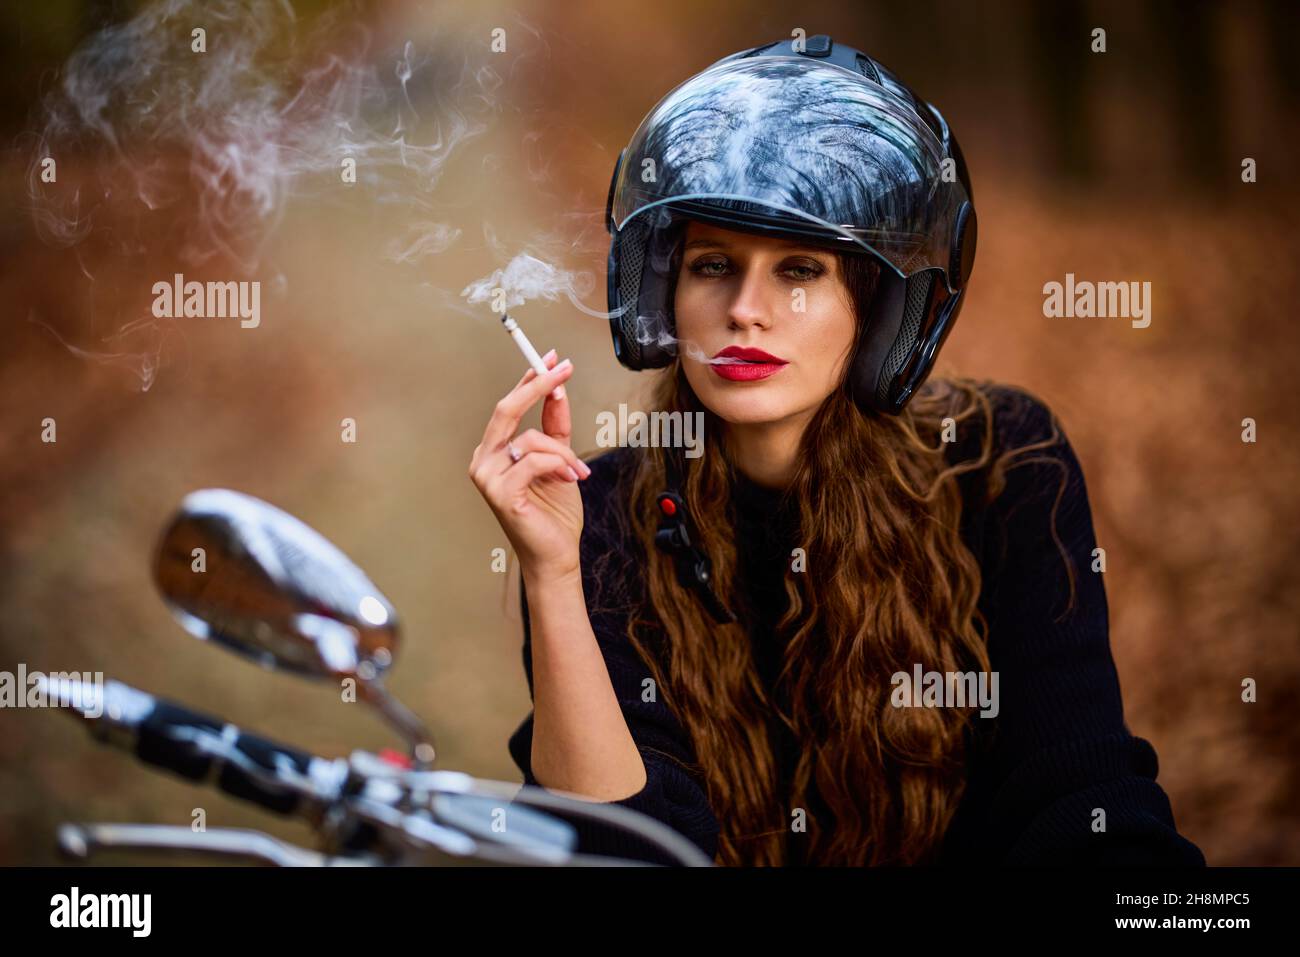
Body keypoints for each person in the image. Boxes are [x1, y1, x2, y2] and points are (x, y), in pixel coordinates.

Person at [468, 36, 1205, 867]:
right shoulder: (592, 510)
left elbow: (1079, 791)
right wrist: (553, 577)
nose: (746, 310)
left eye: (799, 269)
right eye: (713, 264)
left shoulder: (1000, 464)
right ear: (663, 290)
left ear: (879, 309)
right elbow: (620, 849)